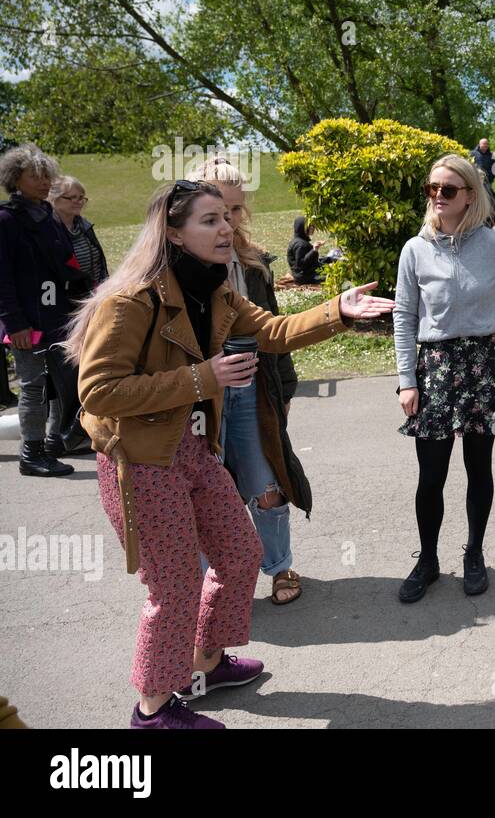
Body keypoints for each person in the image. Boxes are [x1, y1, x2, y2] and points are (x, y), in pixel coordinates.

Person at [66, 178, 394, 729]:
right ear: (172, 231)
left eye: (227, 218)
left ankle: (204, 664)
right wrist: (202, 378)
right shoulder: (129, 302)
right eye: (210, 220)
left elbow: (276, 331)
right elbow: (97, 392)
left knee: (241, 555)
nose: (227, 228)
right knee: (173, 586)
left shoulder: (215, 290)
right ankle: (151, 711)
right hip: (140, 460)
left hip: (193, 450)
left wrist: (338, 309)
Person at [394, 154, 495, 603]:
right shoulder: (415, 249)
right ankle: (428, 560)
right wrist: (407, 380)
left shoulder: (492, 243)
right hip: (436, 367)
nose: (438, 197)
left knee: (480, 468)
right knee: (431, 476)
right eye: (432, 189)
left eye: (448, 189)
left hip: (486, 368)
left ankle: (475, 553)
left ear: (469, 195)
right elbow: (404, 316)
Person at [195, 157, 309, 606]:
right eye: (217, 211)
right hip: (201, 396)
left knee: (268, 484)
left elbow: (276, 332)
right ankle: (210, 589)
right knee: (208, 493)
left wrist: (285, 388)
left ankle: (280, 568)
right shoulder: (173, 272)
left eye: (236, 210)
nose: (228, 222)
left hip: (253, 390)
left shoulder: (256, 264)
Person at [0, 144, 78, 476]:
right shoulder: (5, 219)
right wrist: (13, 322)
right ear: (16, 179)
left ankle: (50, 444)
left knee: (59, 383)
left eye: (47, 176)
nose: (44, 182)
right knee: (32, 386)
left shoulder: (49, 216)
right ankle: (30, 455)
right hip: (25, 323)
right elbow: (2, 277)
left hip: (58, 318)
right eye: (35, 176)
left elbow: (68, 265)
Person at [46, 174, 109, 455]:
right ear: (52, 199)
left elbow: (99, 261)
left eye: (81, 197)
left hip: (88, 304)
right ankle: (62, 436)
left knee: (85, 369)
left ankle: (75, 432)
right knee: (64, 374)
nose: (77, 202)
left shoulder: (83, 226)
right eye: (70, 198)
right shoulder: (48, 229)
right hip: (60, 310)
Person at [287, 216, 335, 284]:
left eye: (312, 226)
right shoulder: (300, 245)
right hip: (305, 277)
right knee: (334, 276)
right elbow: (301, 265)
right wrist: (314, 250)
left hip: (307, 273)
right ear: (301, 228)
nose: (312, 228)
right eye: (309, 226)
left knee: (329, 260)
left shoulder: (300, 241)